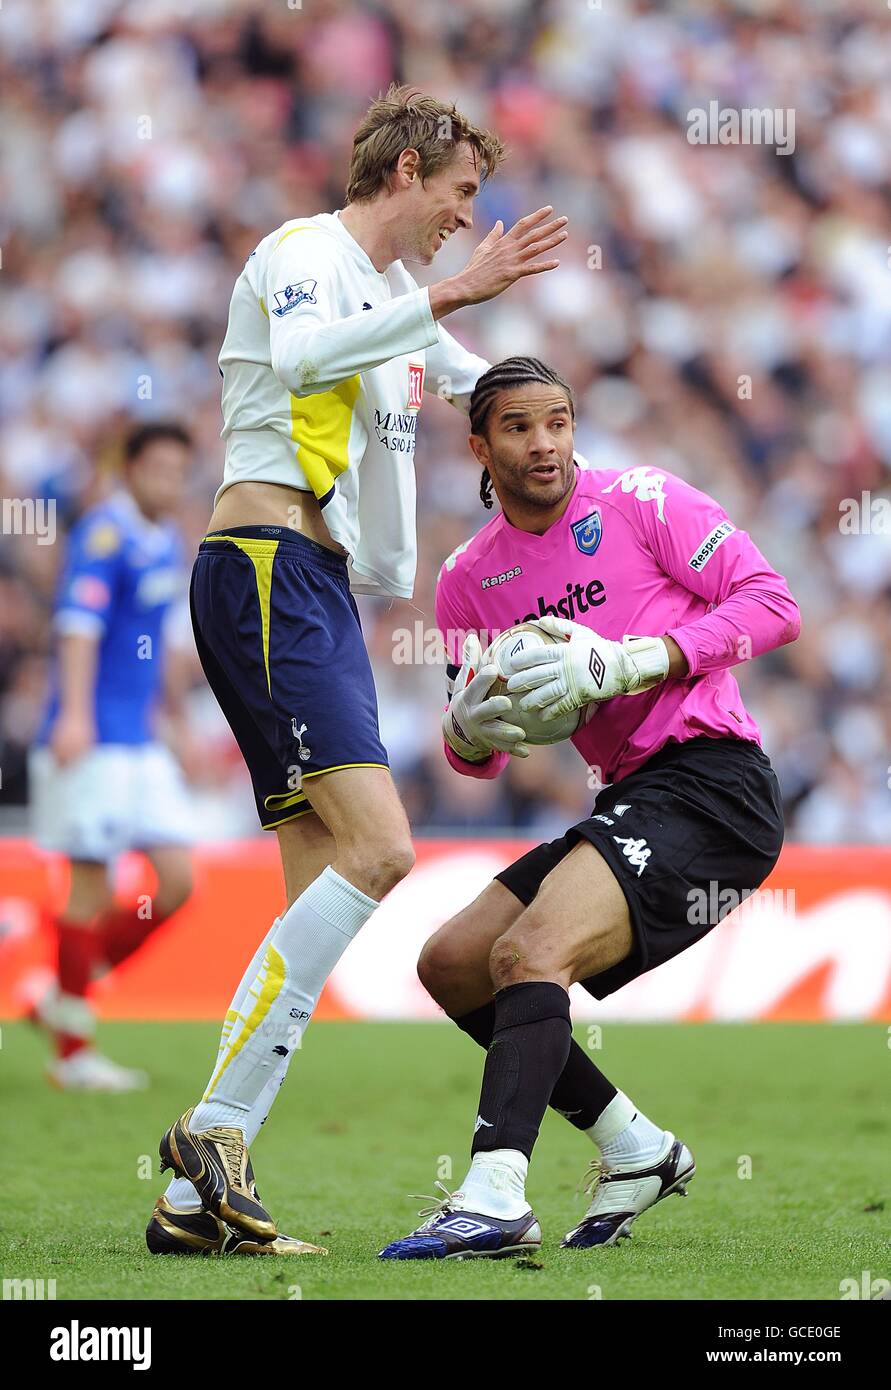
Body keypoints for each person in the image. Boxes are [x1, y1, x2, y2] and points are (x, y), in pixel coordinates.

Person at [149, 87, 569, 1257]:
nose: (463, 219)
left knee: (315, 896)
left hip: (311, 584)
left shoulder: (395, 295)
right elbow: (300, 358)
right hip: (265, 563)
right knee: (384, 847)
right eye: (460, 194)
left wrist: (582, 465)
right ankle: (214, 1126)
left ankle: (196, 1199)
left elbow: (476, 379)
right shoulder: (305, 254)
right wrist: (452, 292)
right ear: (405, 172)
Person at [379, 357, 800, 1260]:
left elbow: (773, 604)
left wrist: (639, 659)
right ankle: (634, 1149)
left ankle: (492, 1192)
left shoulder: (644, 500)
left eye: (558, 423)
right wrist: (462, 724)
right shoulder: (465, 581)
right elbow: (477, 762)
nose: (545, 445)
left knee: (528, 952)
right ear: (480, 446)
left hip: (714, 784)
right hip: (630, 799)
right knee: (453, 962)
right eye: (521, 428)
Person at [30, 422, 194, 1092]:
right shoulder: (105, 534)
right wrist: (71, 714)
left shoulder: (165, 540)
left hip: (141, 739)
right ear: (128, 469)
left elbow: (155, 646)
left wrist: (179, 726)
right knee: (91, 889)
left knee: (178, 882)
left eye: (178, 471)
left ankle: (65, 989)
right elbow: (77, 626)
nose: (168, 482)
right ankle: (71, 1053)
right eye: (156, 468)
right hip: (92, 736)